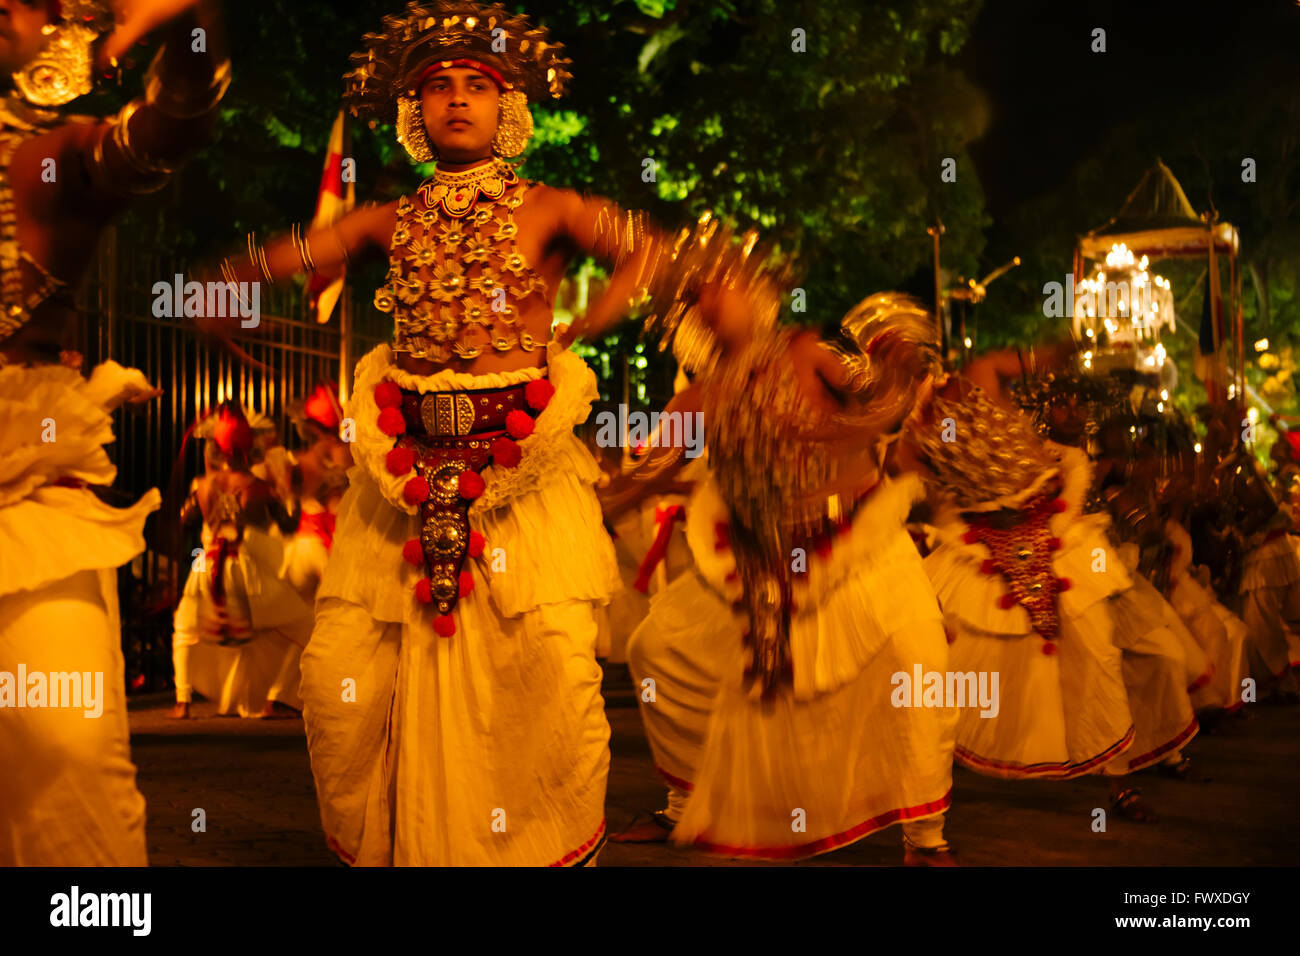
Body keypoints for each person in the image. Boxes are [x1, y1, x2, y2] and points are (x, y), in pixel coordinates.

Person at [211, 0, 670, 865]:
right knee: (341, 685)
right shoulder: (389, 217)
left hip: (527, 471)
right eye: (437, 87)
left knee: (547, 680)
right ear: (413, 113)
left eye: (477, 85)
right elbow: (300, 255)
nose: (456, 99)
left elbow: (646, 251)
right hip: (402, 474)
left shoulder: (553, 207)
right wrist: (227, 279)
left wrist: (583, 326)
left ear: (510, 109)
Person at [605, 217, 958, 863]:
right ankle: (683, 805)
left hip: (860, 544)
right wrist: (555, 485)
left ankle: (925, 840)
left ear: (757, 287)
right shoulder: (697, 402)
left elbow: (883, 405)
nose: (707, 302)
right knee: (656, 649)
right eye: (693, 296)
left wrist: (874, 404)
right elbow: (637, 483)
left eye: (718, 286)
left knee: (915, 666)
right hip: (755, 560)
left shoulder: (815, 346)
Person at [0, 0, 230, 865]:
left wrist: (189, 21)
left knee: (63, 746)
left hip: (24, 488)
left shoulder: (52, 159)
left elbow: (177, 118)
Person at [170, 403, 313, 719]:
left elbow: (186, 519)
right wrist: (287, 493)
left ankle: (182, 701)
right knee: (303, 626)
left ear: (218, 451)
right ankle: (272, 697)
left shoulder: (203, 486)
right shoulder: (259, 488)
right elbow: (288, 525)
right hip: (247, 571)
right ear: (250, 449)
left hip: (206, 569)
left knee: (183, 630)